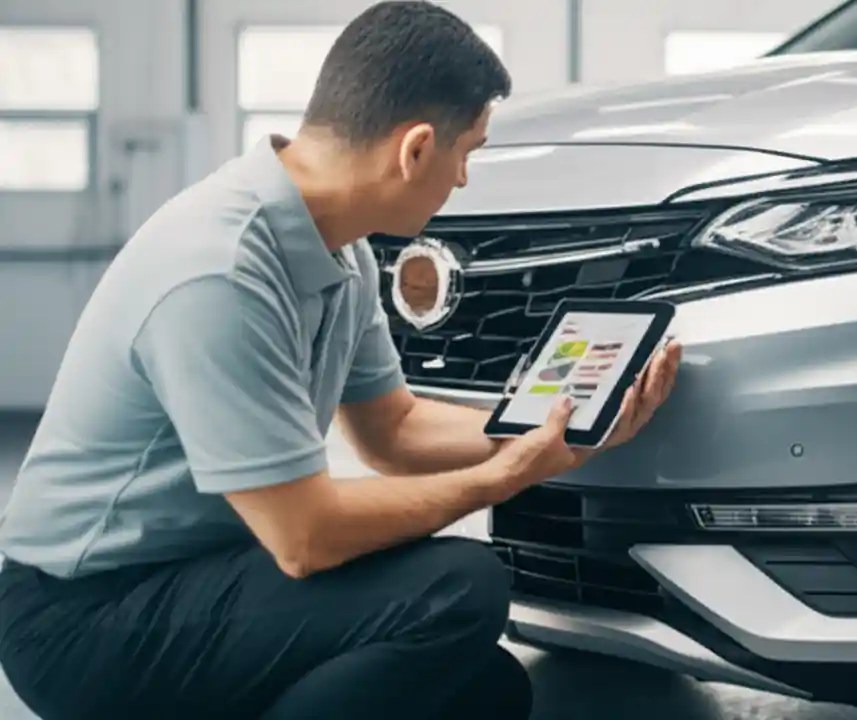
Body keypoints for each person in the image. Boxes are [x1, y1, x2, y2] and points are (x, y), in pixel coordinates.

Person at [0, 3, 682, 719]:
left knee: (489, 692)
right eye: (468, 152)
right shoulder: (220, 270)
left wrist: (551, 426)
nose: (462, 181)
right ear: (416, 149)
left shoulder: (343, 250)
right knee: (460, 587)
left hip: (203, 573)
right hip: (82, 618)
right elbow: (305, 537)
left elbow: (393, 430)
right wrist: (503, 477)